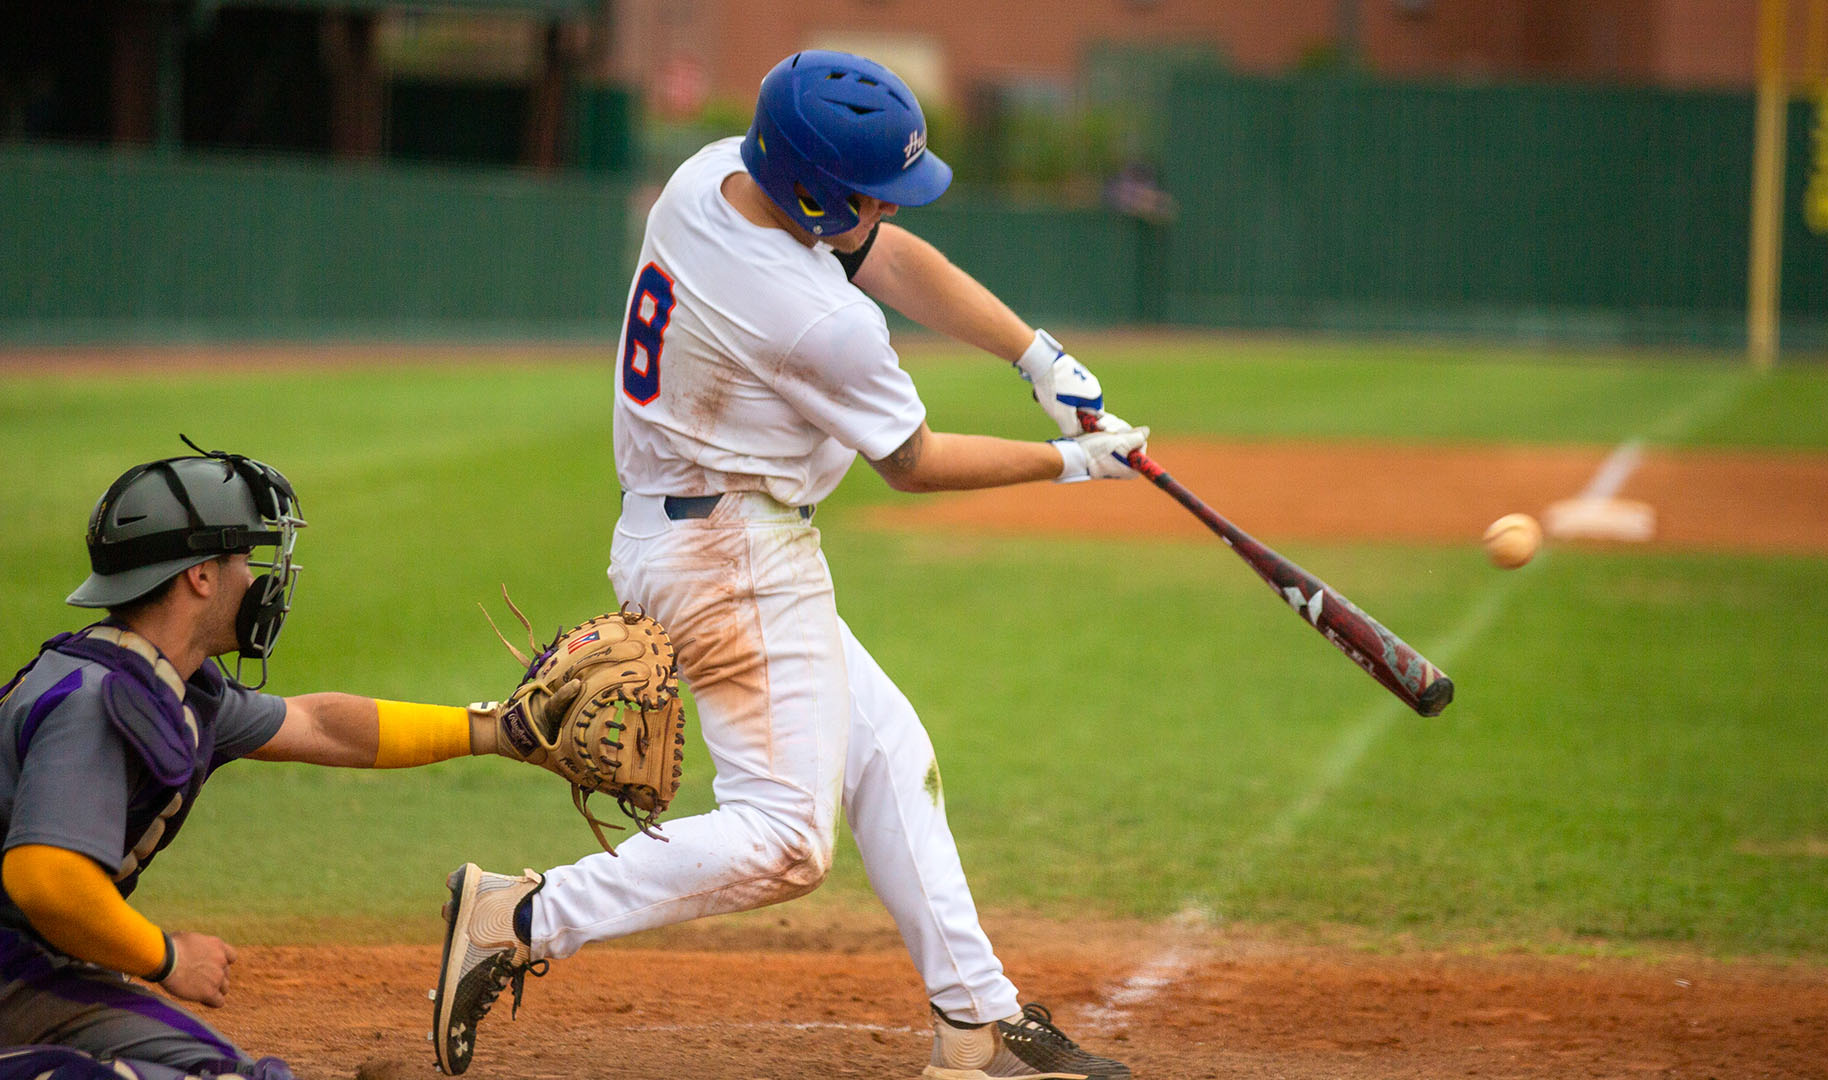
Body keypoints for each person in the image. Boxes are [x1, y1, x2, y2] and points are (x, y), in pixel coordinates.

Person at [433, 51, 1144, 1080]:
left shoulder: (715, 176)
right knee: (784, 841)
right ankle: (524, 917)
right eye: (870, 196)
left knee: (890, 756)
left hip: (706, 533)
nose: (886, 213)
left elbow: (883, 254)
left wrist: (1036, 357)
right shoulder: (817, 320)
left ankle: (977, 1024)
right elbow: (914, 462)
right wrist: (1073, 462)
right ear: (813, 194)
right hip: (732, 559)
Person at [0, 443, 531, 1080]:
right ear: (200, 575)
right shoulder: (99, 705)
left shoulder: (171, 683)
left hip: (33, 965)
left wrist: (498, 730)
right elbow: (44, 879)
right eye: (243, 559)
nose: (256, 580)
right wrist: (166, 957)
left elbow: (324, 725)